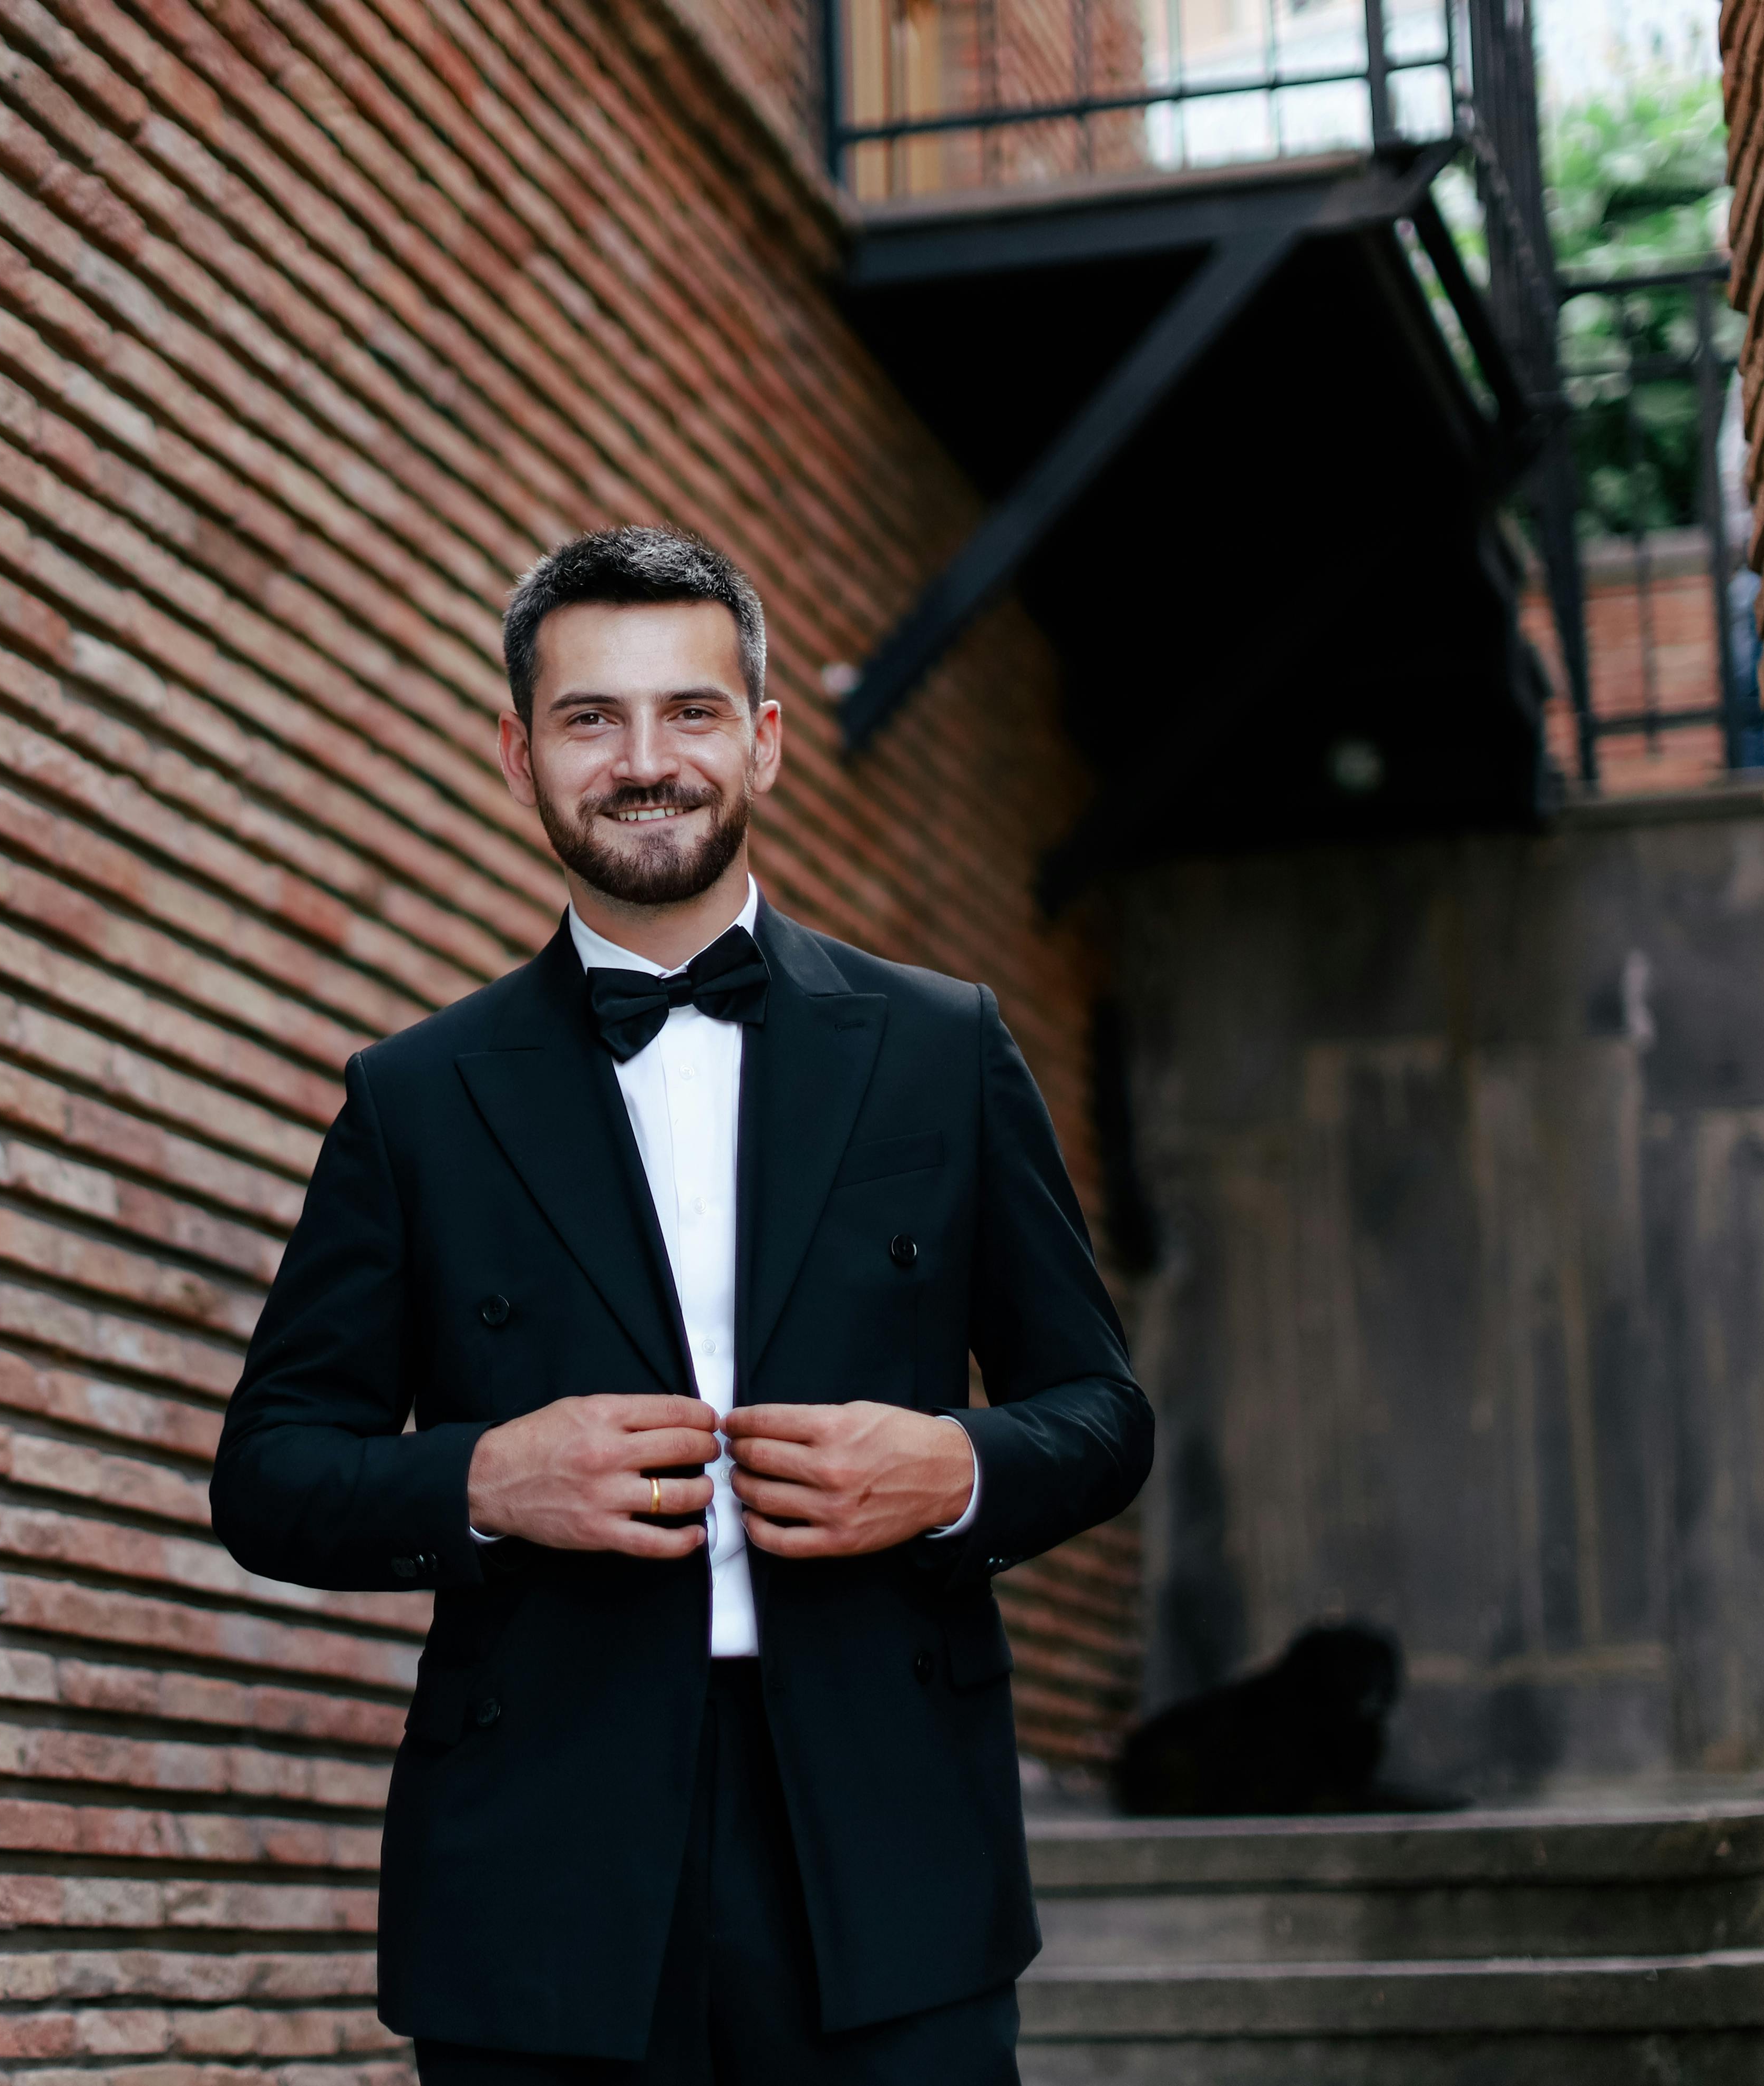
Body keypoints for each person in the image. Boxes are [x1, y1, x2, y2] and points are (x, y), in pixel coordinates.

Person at [211, 525, 1154, 2083]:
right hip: (543, 1865)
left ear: (763, 741)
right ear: (519, 754)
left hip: (884, 1841)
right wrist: (483, 1479)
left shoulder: (941, 1048)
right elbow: (267, 1472)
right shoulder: (415, 1098)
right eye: (591, 718)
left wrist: (956, 1470)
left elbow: (1103, 1414)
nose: (644, 760)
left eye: (690, 712)